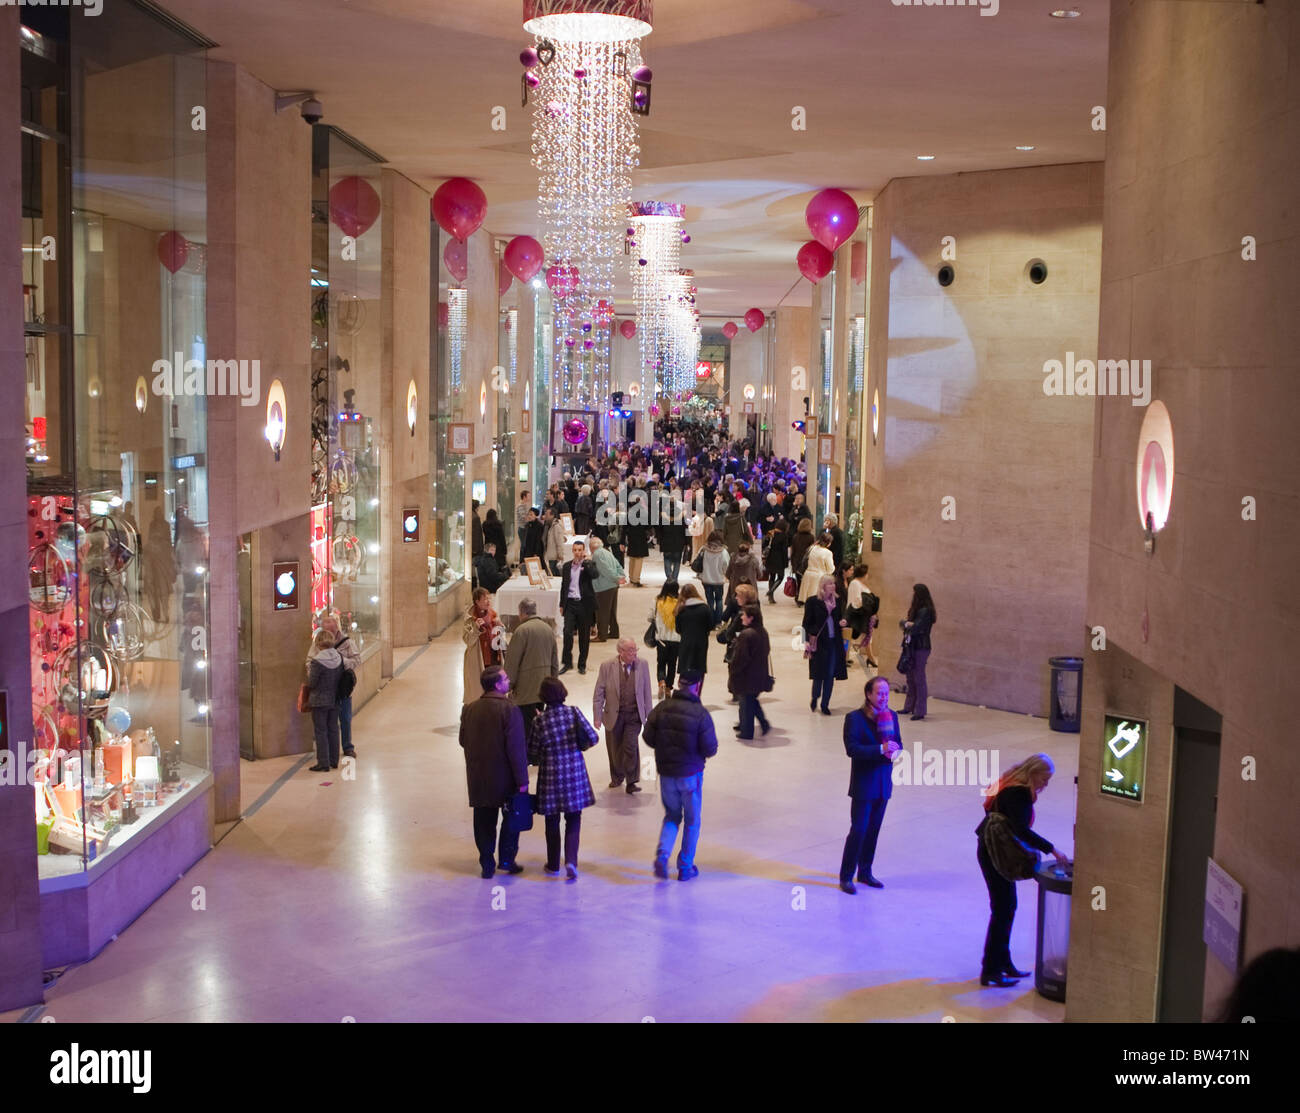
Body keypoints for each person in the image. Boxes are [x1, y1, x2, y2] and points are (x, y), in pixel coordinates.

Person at [976, 753, 1069, 986]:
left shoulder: (1008, 781)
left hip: (989, 848)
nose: (1045, 785)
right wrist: (1052, 849)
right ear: (1033, 772)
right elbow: (1021, 830)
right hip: (996, 852)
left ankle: (1003, 963)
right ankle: (991, 970)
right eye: (1044, 779)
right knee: (1003, 910)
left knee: (1005, 907)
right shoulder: (1019, 793)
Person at [643, 670, 718, 881]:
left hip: (667, 774)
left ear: (678, 683)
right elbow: (710, 748)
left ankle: (662, 854)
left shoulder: (662, 708)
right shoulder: (700, 714)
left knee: (672, 816)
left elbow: (648, 736)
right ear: (697, 686)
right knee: (692, 821)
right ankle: (685, 866)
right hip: (691, 775)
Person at [459, 665, 529, 879]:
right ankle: (507, 861)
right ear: (498, 685)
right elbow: (516, 749)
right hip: (505, 777)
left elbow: (463, 740)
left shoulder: (469, 709)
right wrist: (522, 780)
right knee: (510, 819)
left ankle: (487, 863)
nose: (509, 681)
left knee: (483, 820)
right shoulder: (510, 710)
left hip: (479, 776)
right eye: (506, 679)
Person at [528, 676, 598, 880]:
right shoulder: (573, 713)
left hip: (550, 775)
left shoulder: (539, 721)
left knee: (552, 820)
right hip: (574, 774)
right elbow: (593, 738)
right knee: (573, 818)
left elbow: (532, 751)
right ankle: (571, 861)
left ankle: (552, 864)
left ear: (543, 697)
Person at [839, 677, 901, 893]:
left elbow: (898, 742)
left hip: (883, 784)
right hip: (864, 785)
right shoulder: (854, 718)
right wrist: (880, 749)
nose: (884, 697)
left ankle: (865, 872)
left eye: (886, 693)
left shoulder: (891, 716)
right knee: (858, 830)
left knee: (873, 831)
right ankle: (846, 875)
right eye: (879, 693)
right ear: (868, 694)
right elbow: (852, 749)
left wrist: (895, 750)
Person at [593, 638, 654, 794]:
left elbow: (647, 691)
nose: (634, 653)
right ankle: (617, 777)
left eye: (635, 649)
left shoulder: (643, 664)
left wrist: (649, 716)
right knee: (615, 749)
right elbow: (599, 692)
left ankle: (632, 781)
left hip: (634, 716)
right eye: (630, 650)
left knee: (630, 746)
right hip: (613, 715)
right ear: (620, 652)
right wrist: (597, 716)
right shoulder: (607, 666)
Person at [503, 598, 558, 736]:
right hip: (543, 689)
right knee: (539, 726)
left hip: (525, 691)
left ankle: (528, 756)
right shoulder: (548, 629)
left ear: (522, 612)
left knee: (525, 730)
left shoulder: (521, 631)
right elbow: (554, 661)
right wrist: (552, 684)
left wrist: (507, 686)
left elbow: (512, 662)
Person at [803, 575, 848, 715]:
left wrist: (843, 622)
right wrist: (805, 641)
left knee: (830, 674)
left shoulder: (838, 601)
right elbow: (806, 623)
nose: (833, 586)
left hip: (834, 642)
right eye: (829, 584)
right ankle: (815, 697)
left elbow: (840, 617)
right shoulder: (812, 602)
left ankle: (825, 704)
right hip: (819, 642)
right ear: (823, 586)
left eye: (833, 584)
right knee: (818, 674)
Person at [318, 614, 359, 759]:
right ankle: (329, 749)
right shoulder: (318, 643)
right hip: (326, 688)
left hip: (342, 687)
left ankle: (347, 747)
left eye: (329, 624)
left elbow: (356, 660)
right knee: (328, 721)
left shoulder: (347, 642)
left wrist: (339, 661)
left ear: (336, 626)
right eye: (324, 626)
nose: (327, 628)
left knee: (345, 718)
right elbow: (310, 661)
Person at [728, 605, 771, 740]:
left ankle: (747, 732)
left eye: (744, 615)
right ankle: (764, 723)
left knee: (746, 702)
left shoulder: (747, 635)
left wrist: (733, 671)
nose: (741, 617)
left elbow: (741, 658)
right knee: (752, 700)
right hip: (759, 673)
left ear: (751, 618)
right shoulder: (762, 631)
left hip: (747, 675)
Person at [305, 627, 344, 772]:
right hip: (334, 699)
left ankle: (323, 763)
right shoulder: (338, 657)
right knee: (333, 729)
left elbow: (312, 683)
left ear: (318, 643)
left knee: (320, 731)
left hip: (319, 700)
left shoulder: (317, 661)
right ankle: (334, 760)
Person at [557, 538, 596, 676]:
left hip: (584, 605)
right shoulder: (567, 566)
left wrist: (587, 561)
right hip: (570, 604)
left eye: (580, 550)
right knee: (567, 632)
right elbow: (564, 586)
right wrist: (562, 604)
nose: (577, 553)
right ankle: (567, 663)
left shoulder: (588, 565)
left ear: (583, 551)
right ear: (572, 551)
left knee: (584, 636)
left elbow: (595, 575)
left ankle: (582, 664)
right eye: (575, 550)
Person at [900, 583, 937, 720]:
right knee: (910, 677)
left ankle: (920, 710)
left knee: (919, 678)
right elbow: (909, 625)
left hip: (921, 647)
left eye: (915, 593)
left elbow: (916, 628)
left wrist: (908, 624)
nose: (913, 596)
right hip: (912, 646)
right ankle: (909, 706)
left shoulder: (926, 610)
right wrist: (908, 624)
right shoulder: (917, 609)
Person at [462, 588, 503, 705]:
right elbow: (468, 640)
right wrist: (476, 629)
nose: (488, 601)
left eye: (488, 598)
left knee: (494, 685)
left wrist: (500, 626)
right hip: (478, 658)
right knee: (478, 689)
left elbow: (500, 638)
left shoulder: (493, 614)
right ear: (477, 601)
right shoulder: (470, 619)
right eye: (485, 599)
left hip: (493, 656)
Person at [674, 583, 713, 698]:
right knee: (699, 668)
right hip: (701, 642)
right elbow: (710, 625)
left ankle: (685, 695)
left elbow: (678, 629)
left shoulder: (681, 610)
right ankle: (697, 695)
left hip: (686, 642)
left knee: (685, 668)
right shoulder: (705, 608)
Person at [588, 535, 625, 643]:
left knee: (602, 612)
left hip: (604, 587)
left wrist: (616, 579)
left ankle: (601, 635)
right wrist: (620, 576)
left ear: (591, 547)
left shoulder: (597, 555)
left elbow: (606, 571)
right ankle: (614, 632)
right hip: (613, 586)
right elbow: (618, 565)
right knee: (612, 611)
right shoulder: (607, 552)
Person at [845, 563, 880, 668]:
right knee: (850, 637)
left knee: (865, 637)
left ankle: (870, 658)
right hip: (856, 614)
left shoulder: (859, 584)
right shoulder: (855, 583)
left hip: (862, 615)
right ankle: (869, 658)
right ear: (864, 574)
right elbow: (856, 600)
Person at [651, 580, 681, 699]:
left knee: (661, 663)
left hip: (661, 638)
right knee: (672, 664)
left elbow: (650, 617)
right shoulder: (680, 603)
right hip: (676, 638)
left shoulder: (657, 601)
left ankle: (661, 682)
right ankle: (669, 687)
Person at [696, 530, 730, 627]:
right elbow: (726, 565)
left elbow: (698, 561)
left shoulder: (704, 549)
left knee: (710, 601)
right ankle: (718, 622)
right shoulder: (723, 552)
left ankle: (710, 621)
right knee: (719, 600)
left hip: (706, 579)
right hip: (718, 580)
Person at [797, 533, 836, 604]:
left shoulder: (812, 548)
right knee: (817, 600)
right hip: (819, 577)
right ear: (829, 543)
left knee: (808, 600)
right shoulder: (827, 553)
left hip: (808, 575)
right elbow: (830, 569)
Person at [657, 497, 687, 586]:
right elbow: (686, 530)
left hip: (666, 541)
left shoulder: (663, 516)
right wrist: (687, 542)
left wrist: (660, 540)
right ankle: (675, 579)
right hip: (679, 542)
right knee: (677, 561)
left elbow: (659, 530)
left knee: (667, 559)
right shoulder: (682, 516)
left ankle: (669, 577)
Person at [725, 540, 762, 607]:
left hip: (735, 587)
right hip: (750, 588)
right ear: (748, 550)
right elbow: (759, 575)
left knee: (735, 606)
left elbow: (727, 574)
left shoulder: (733, 559)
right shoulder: (753, 560)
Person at [623, 495, 650, 586]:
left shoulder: (630, 512)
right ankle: (636, 579)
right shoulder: (644, 512)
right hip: (641, 537)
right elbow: (648, 526)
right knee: (639, 558)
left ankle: (631, 577)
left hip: (631, 537)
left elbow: (625, 526)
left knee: (632, 557)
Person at [762, 517, 789, 603]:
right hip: (779, 559)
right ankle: (771, 591)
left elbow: (764, 545)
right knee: (781, 577)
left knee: (772, 577)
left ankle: (771, 597)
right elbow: (784, 550)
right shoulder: (783, 536)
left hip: (770, 558)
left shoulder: (770, 533)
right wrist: (786, 562)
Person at [789, 517, 815, 594]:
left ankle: (798, 595)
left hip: (797, 560)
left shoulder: (795, 536)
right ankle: (802, 596)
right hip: (806, 561)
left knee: (798, 580)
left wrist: (792, 562)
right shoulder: (811, 537)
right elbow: (811, 551)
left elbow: (793, 550)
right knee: (806, 581)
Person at [542, 506, 566, 576]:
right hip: (548, 555)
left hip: (554, 557)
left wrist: (560, 555)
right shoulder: (547, 525)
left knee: (554, 576)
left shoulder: (556, 526)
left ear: (552, 515)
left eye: (546, 514)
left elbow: (559, 542)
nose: (544, 516)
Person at [514, 490, 532, 559]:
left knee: (525, 545)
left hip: (525, 528)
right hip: (522, 528)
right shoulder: (521, 506)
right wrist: (531, 518)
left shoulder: (525, 505)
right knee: (523, 545)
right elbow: (524, 517)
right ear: (524, 497)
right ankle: (522, 560)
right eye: (528, 496)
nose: (529, 498)